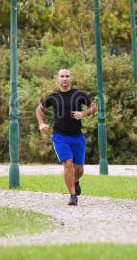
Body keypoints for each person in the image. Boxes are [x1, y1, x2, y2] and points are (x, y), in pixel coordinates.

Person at [36, 68, 97, 206]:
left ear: (71, 78)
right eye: (62, 76)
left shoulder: (79, 94)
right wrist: (41, 124)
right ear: (58, 78)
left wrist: (83, 114)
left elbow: (93, 107)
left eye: (67, 76)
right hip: (60, 136)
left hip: (77, 136)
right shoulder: (53, 96)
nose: (64, 78)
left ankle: (75, 181)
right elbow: (38, 110)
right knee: (68, 164)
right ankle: (73, 195)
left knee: (79, 169)